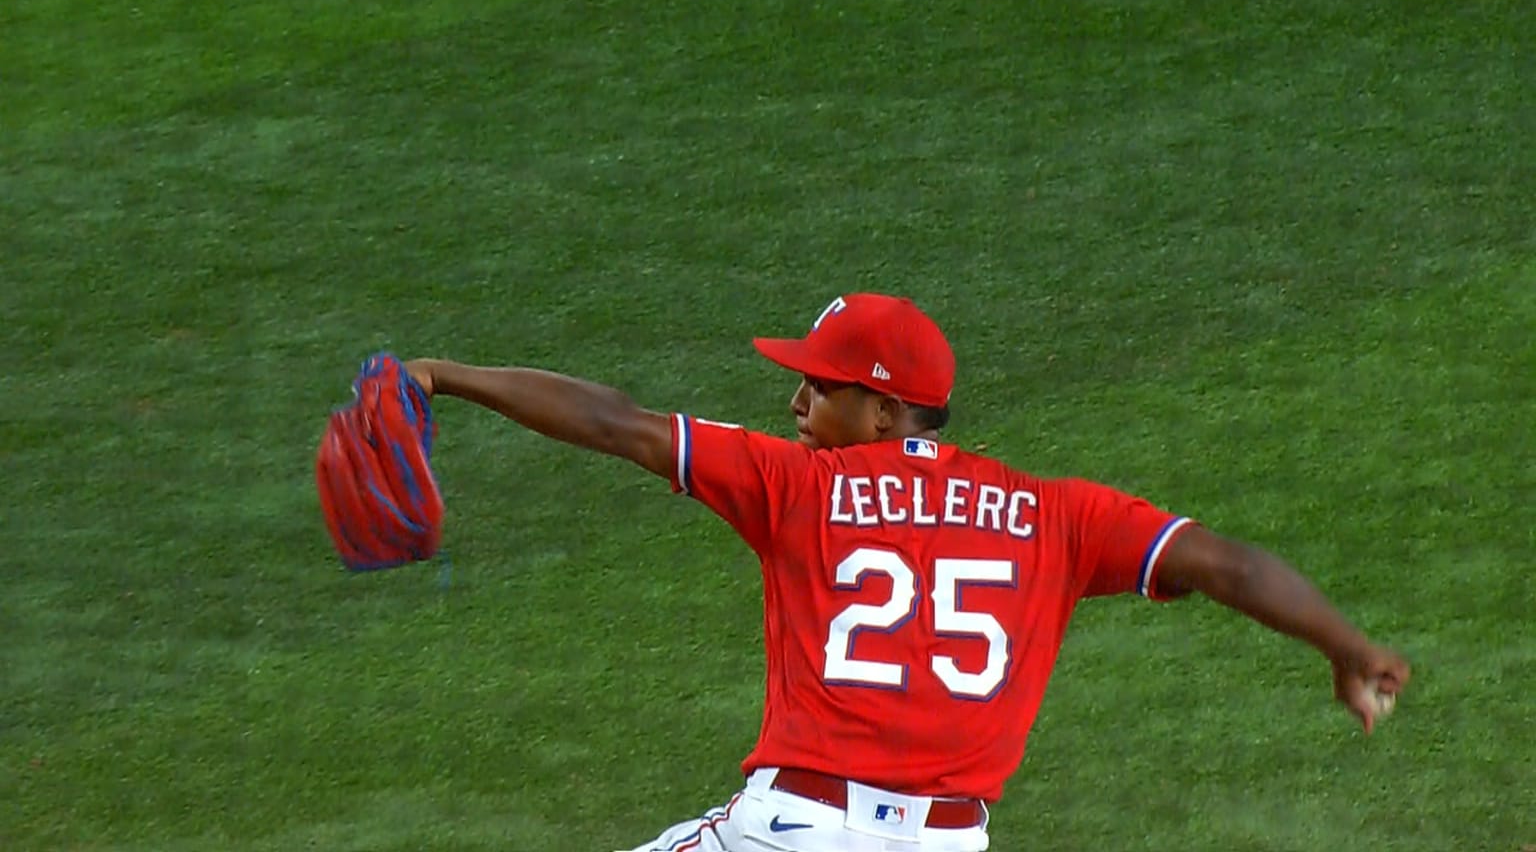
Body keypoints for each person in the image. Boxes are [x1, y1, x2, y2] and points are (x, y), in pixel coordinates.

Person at [402, 293, 1410, 852]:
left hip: (791, 833)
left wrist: (444, 377)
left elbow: (615, 422)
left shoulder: (792, 485)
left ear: (884, 415)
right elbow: (1225, 564)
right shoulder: (1057, 516)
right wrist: (1345, 645)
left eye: (819, 384)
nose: (796, 399)